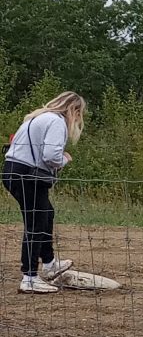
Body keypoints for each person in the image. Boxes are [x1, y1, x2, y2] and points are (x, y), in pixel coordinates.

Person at [3, 91, 85, 294]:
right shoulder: (56, 122)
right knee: (36, 223)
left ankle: (49, 263)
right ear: (73, 110)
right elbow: (50, 156)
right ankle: (29, 277)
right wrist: (64, 159)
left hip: (14, 171)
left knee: (46, 214)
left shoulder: (38, 117)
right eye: (79, 114)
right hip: (28, 176)